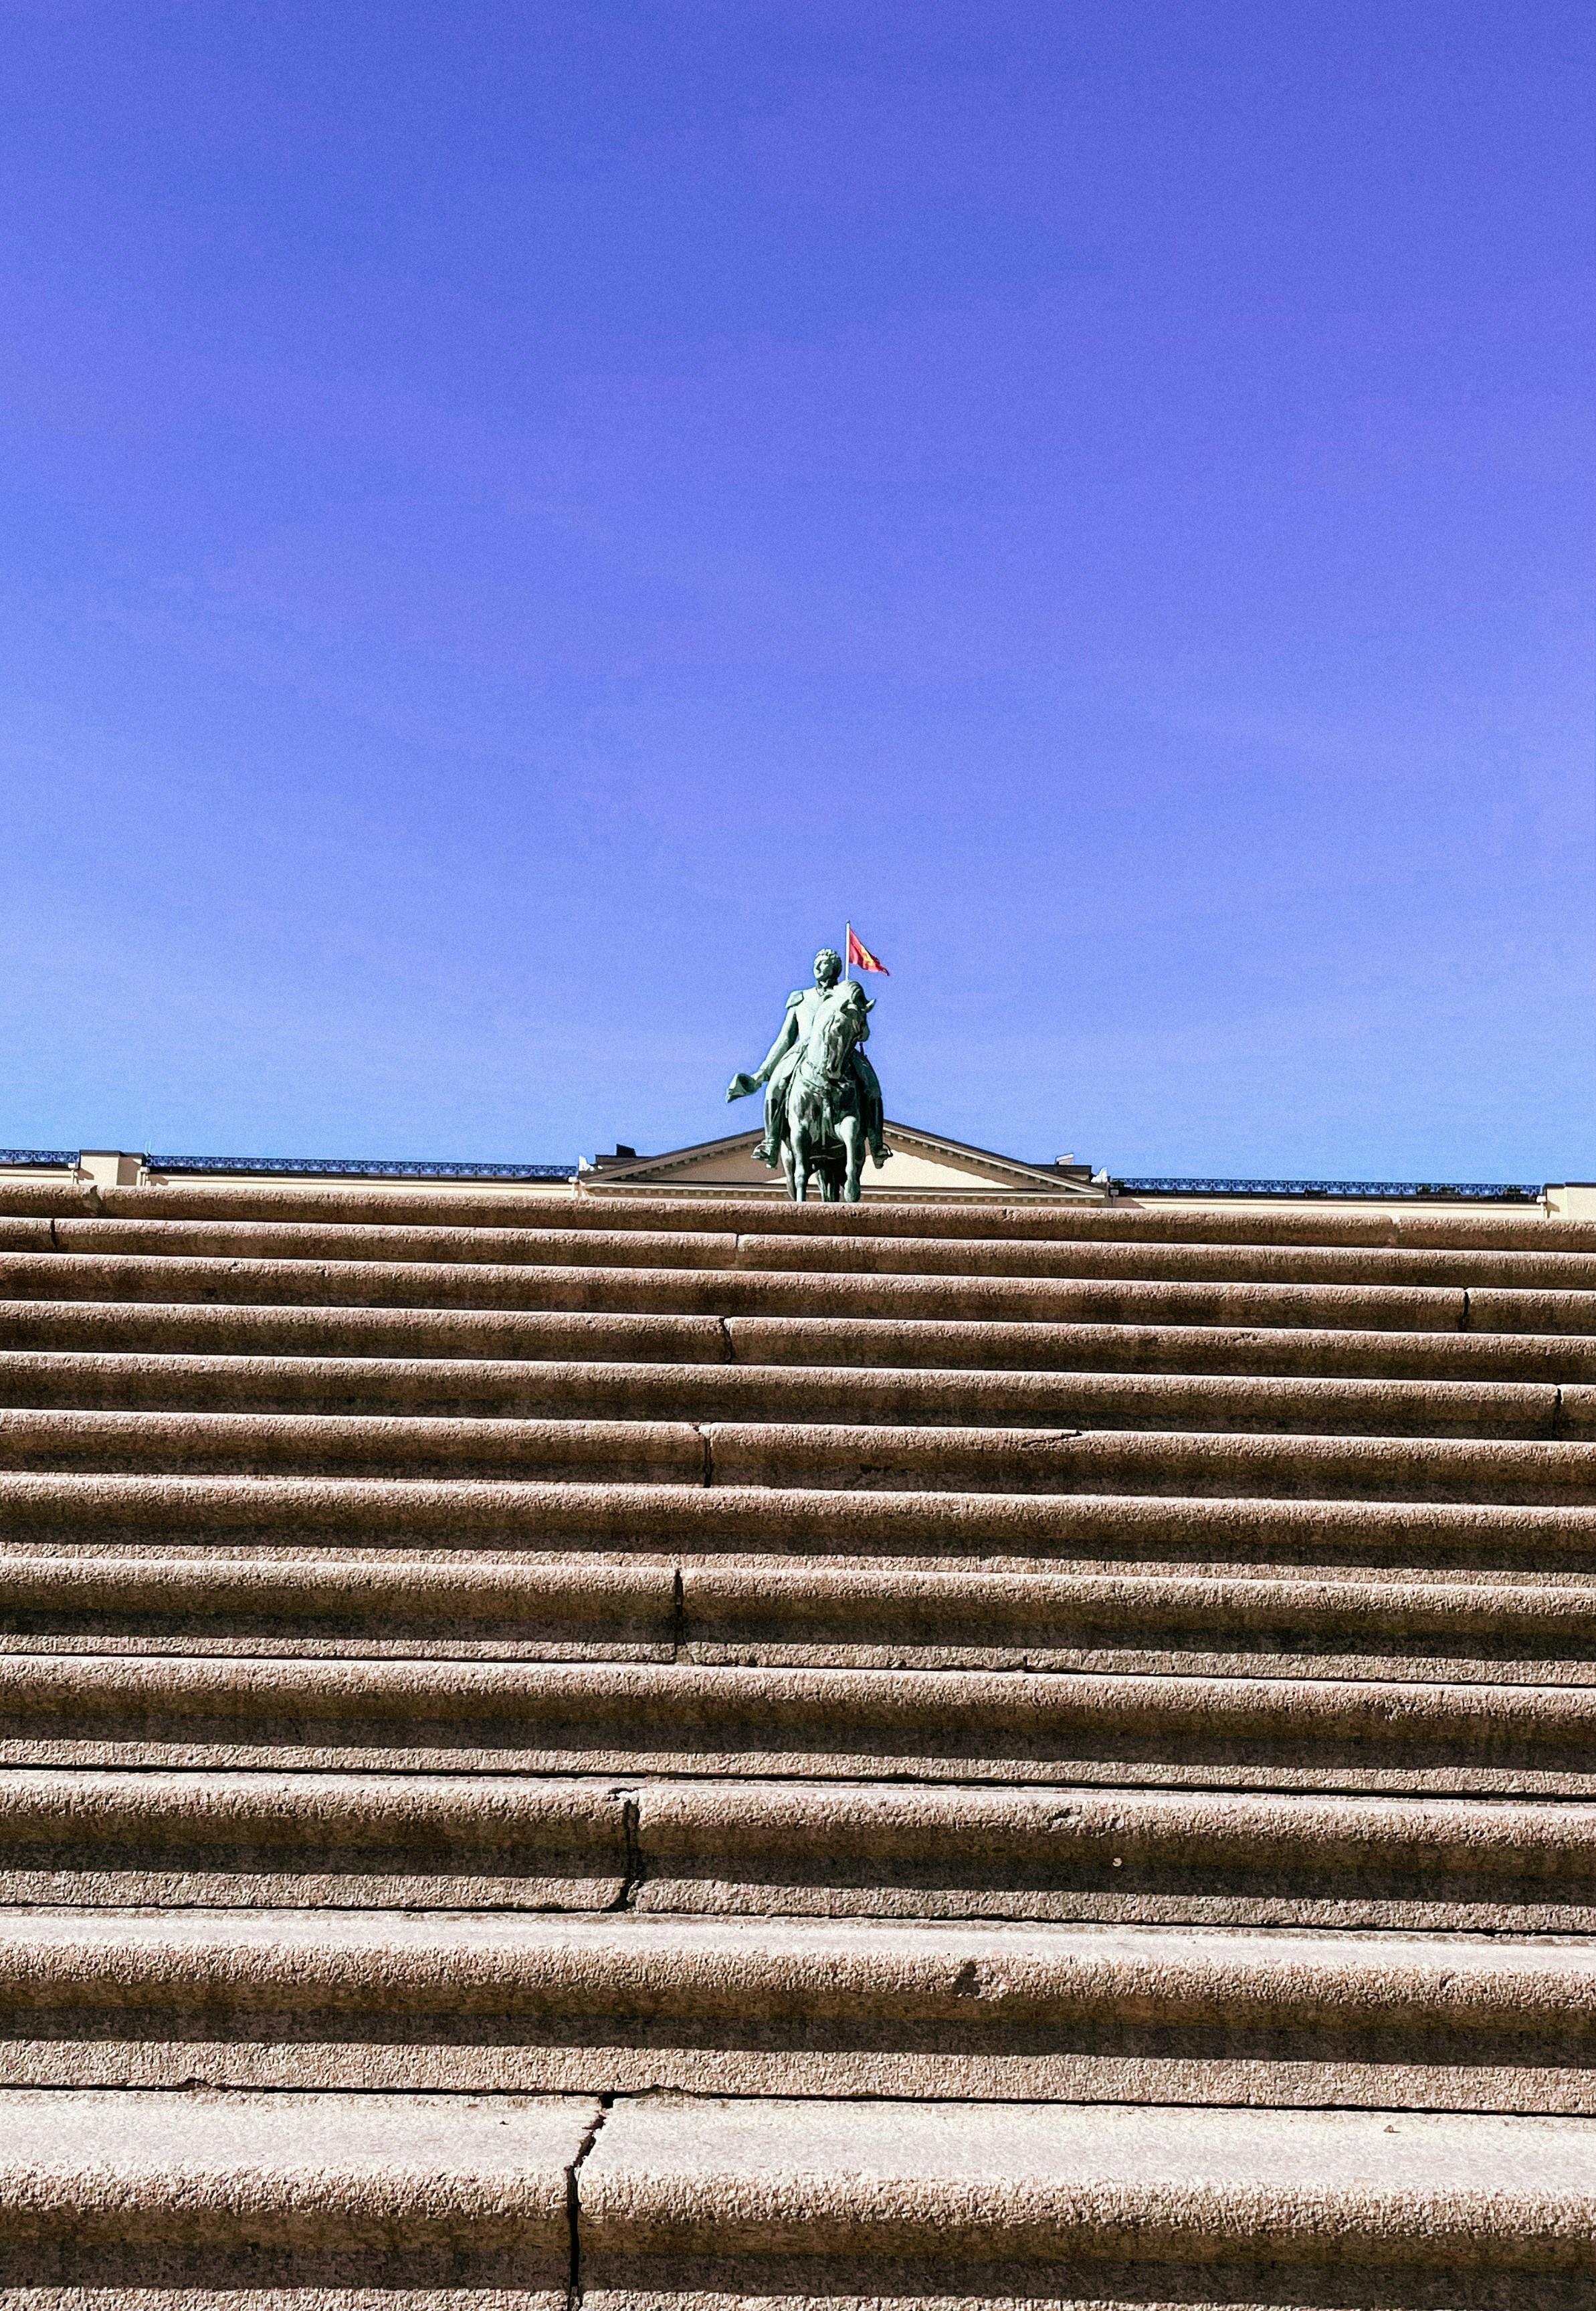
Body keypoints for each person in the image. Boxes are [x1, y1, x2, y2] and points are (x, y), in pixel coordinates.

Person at [727, 947, 890, 1167]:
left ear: (835, 969)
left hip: (842, 1053)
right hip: (803, 1051)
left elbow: (863, 1032)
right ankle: (771, 1142)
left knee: (872, 1086)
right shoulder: (801, 998)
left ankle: (877, 1143)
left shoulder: (844, 996)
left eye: (824, 963)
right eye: (817, 962)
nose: (818, 966)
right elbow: (785, 1039)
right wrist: (762, 1073)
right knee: (773, 1088)